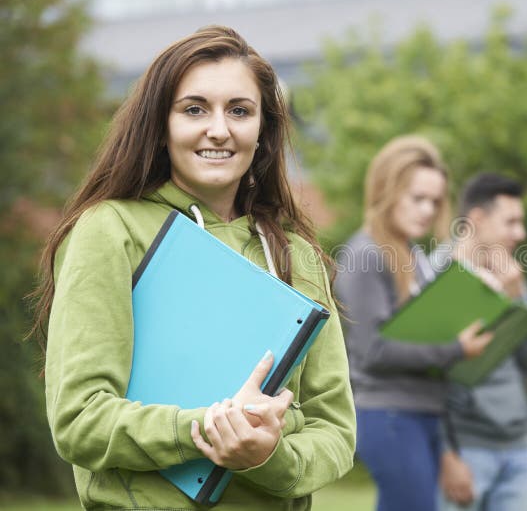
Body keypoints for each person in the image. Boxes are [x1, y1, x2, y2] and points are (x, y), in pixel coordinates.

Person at [30, 26, 356, 510]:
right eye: (194, 109)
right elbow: (81, 420)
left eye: (240, 111)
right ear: (160, 127)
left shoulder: (297, 254)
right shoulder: (108, 230)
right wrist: (211, 428)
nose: (219, 129)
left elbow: (335, 431)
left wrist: (265, 455)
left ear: (263, 133)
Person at [333, 135, 492, 511]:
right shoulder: (366, 254)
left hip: (424, 413)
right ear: (387, 190)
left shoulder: (415, 255)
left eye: (434, 201)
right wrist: (456, 349)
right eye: (416, 198)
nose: (426, 209)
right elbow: (373, 351)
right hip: (387, 414)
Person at [433, 173, 527, 511]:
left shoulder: (511, 276)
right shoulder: (436, 273)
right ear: (479, 220)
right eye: (511, 222)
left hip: (518, 447)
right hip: (465, 450)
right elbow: (424, 375)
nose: (520, 234)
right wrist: (446, 455)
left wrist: (515, 303)